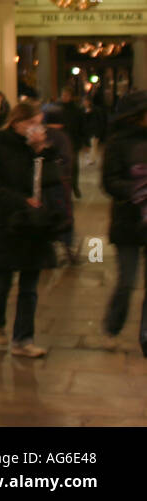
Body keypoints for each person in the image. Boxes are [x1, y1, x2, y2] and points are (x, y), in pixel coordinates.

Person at [0, 100, 69, 358]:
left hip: (34, 225)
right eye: (31, 124)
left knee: (29, 285)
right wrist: (19, 201)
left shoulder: (40, 149)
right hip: (7, 223)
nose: (35, 129)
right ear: (17, 123)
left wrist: (41, 151)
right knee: (3, 280)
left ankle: (23, 339)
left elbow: (53, 182)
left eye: (39, 124)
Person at [101, 90, 147, 355]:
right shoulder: (118, 142)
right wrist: (135, 190)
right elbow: (109, 182)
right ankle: (112, 326)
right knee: (127, 281)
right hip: (128, 222)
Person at [39, 104, 80, 267]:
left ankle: (47, 251)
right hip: (60, 182)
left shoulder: (41, 134)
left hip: (42, 183)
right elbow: (67, 160)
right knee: (64, 214)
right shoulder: (62, 137)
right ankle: (68, 248)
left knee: (46, 214)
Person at [59, 85, 85, 198]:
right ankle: (66, 188)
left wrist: (83, 140)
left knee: (73, 166)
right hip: (61, 141)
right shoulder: (58, 109)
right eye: (63, 95)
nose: (64, 97)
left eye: (66, 95)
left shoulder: (76, 111)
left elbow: (81, 127)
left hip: (73, 141)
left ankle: (74, 185)